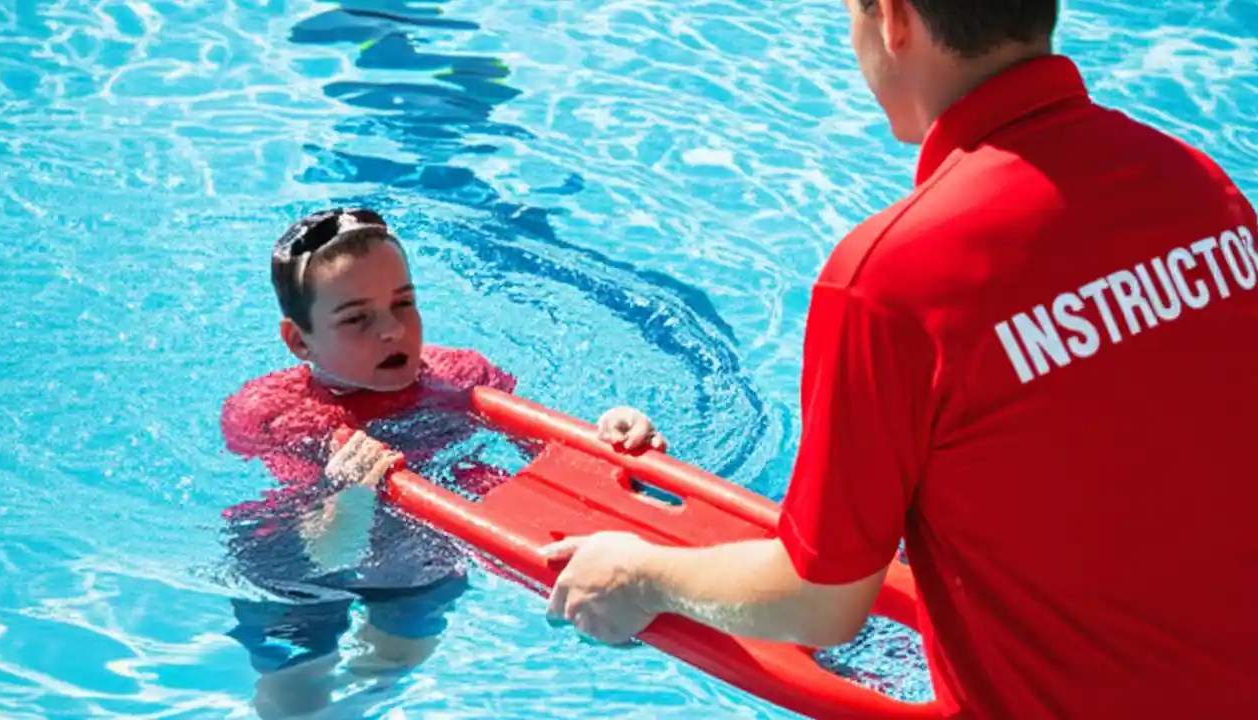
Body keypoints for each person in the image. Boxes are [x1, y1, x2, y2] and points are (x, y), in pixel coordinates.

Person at [540, 1, 1258, 717]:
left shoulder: (891, 279)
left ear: (893, 19)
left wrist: (640, 575)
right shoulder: (1201, 186)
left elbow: (819, 602)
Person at [219, 207, 665, 719]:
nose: (391, 330)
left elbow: (556, 465)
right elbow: (323, 551)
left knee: (393, 663)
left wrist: (614, 438)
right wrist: (351, 499)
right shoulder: (273, 412)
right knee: (296, 696)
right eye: (357, 318)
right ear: (300, 341)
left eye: (403, 303)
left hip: (417, 560)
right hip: (295, 569)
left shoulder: (464, 378)